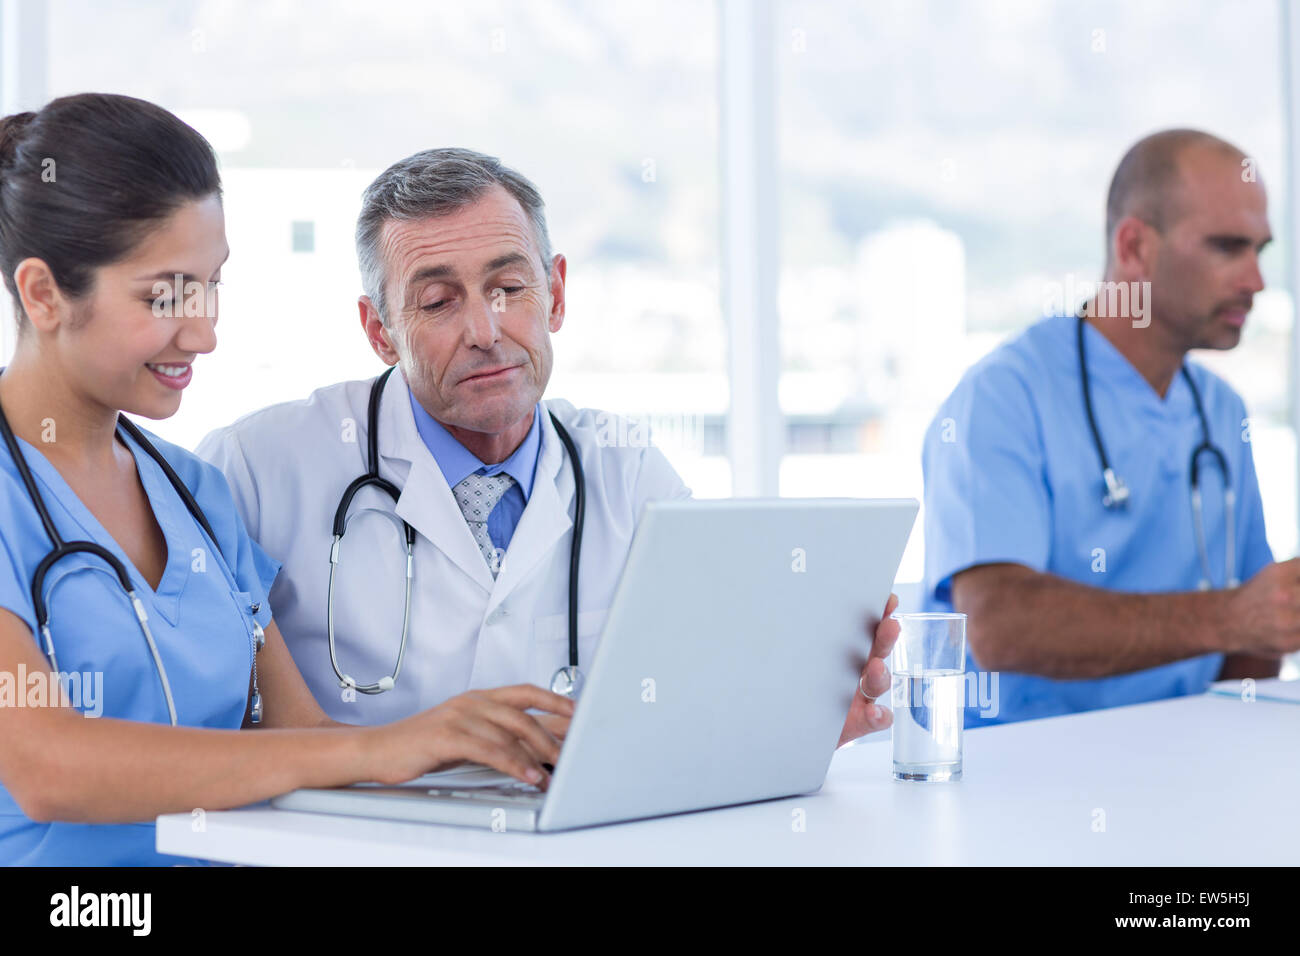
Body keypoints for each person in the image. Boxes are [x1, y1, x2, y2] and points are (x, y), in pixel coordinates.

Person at [0, 94, 575, 867]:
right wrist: (388, 746)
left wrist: (493, 765)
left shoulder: (195, 494)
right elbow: (49, 768)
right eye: (165, 295)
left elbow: (299, 736)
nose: (203, 331)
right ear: (42, 294)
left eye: (212, 287)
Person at [196, 147, 900, 743]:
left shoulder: (630, 476)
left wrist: (791, 723)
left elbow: (695, 704)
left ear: (556, 294)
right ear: (380, 331)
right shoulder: (257, 471)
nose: (485, 329)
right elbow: (211, 728)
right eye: (438, 302)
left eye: (509, 287)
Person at [921, 128, 1300, 728]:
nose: (1255, 280)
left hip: (1179, 768)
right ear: (1134, 247)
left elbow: (1255, 637)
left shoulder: (1221, 412)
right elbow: (998, 626)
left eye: (1261, 250)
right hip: (1018, 785)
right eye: (1228, 247)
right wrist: (1231, 617)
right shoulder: (1003, 397)